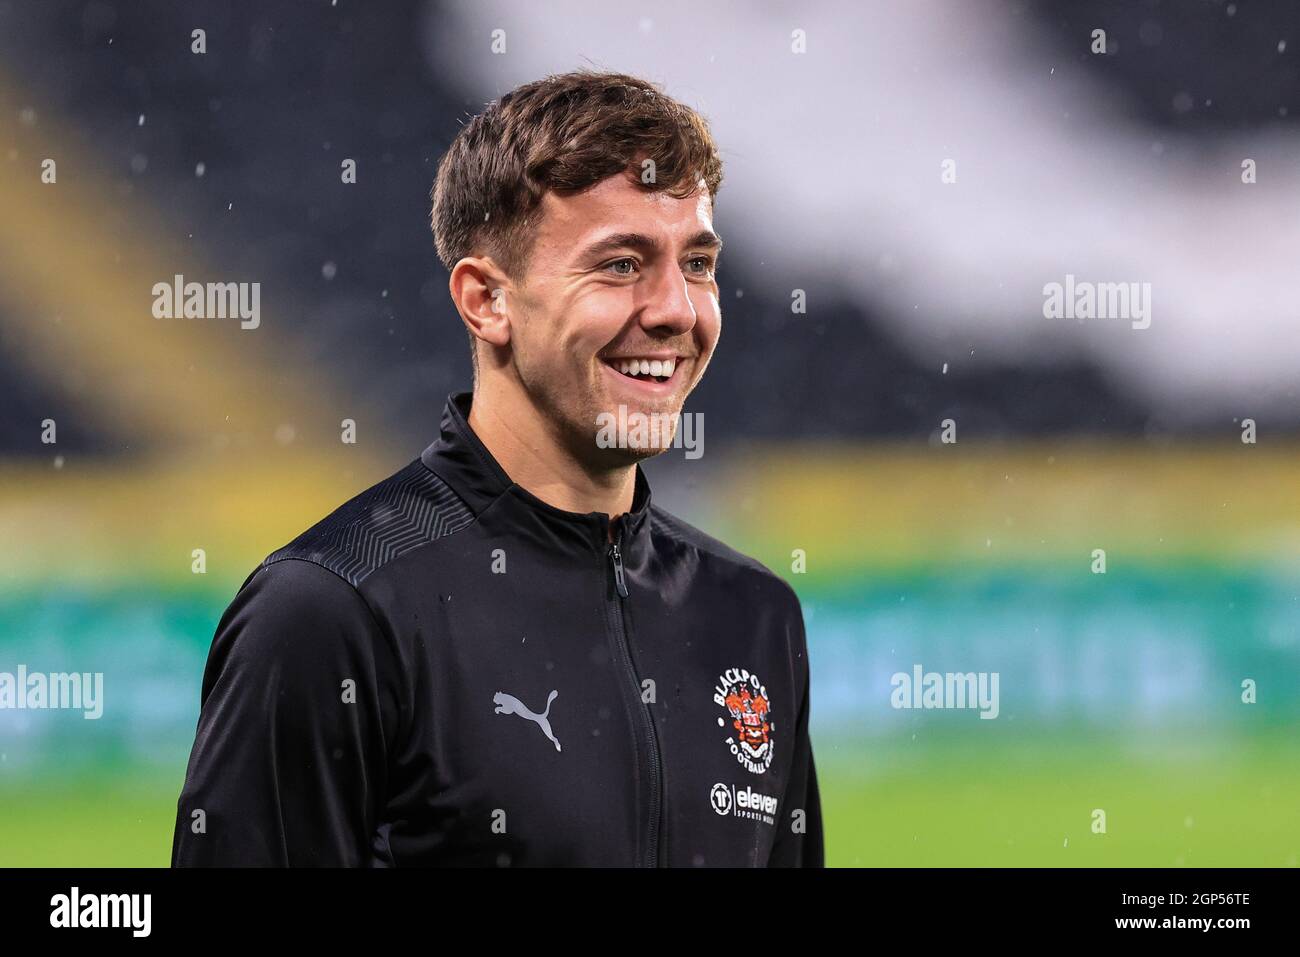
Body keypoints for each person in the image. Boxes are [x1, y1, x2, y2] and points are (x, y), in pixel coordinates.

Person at [172, 70, 822, 867]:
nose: (676, 310)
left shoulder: (754, 616)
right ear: (486, 300)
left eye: (696, 263)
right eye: (621, 264)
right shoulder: (331, 611)